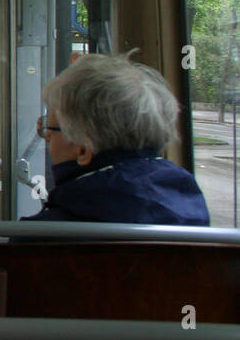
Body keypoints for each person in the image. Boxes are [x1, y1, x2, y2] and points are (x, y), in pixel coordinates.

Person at [24, 53, 209, 225]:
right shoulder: (195, 217)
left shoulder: (42, 239)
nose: (47, 138)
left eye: (51, 130)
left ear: (83, 150)